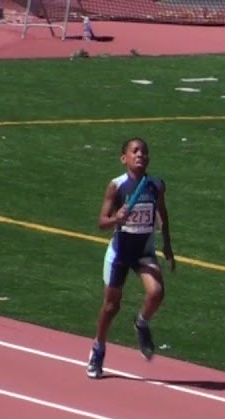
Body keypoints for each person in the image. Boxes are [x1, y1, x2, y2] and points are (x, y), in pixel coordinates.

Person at [86, 137, 176, 379]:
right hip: (120, 253)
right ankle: (98, 348)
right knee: (111, 306)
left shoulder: (156, 185)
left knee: (156, 292)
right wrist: (117, 218)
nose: (140, 155)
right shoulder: (117, 186)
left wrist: (167, 243)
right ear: (123, 158)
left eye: (144, 152)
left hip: (144, 252)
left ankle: (142, 322)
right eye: (135, 151)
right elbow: (101, 223)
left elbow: (162, 212)